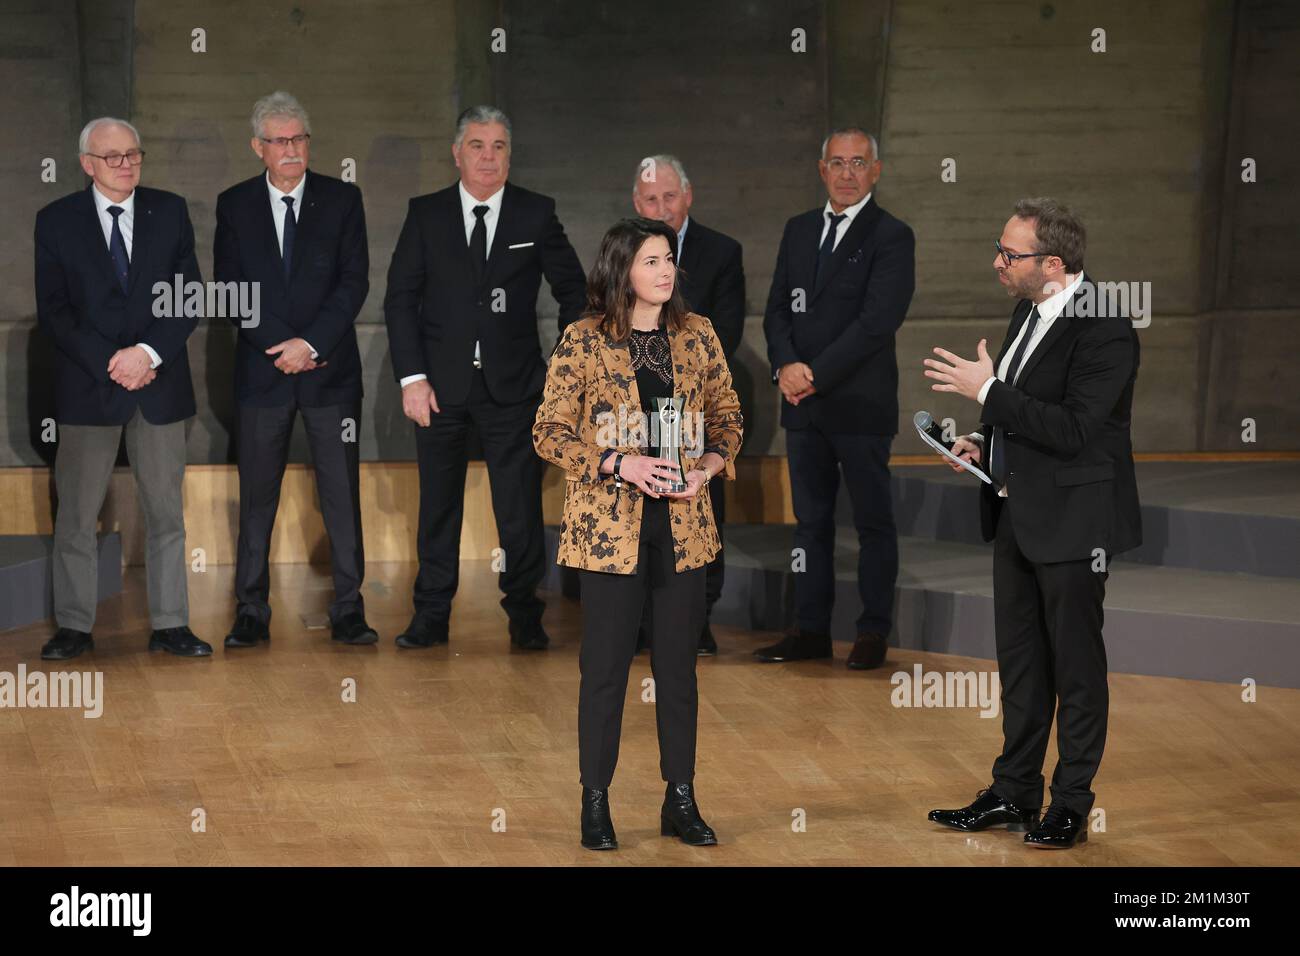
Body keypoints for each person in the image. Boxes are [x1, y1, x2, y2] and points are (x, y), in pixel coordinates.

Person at [923, 198, 1141, 849]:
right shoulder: (1029, 309)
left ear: (1052, 262)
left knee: (1073, 664)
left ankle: (1070, 802)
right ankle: (1015, 791)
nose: (997, 262)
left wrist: (986, 392)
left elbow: (1076, 429)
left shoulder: (1105, 327)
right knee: (1021, 663)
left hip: (1074, 521)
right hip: (1018, 511)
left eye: (1008, 254)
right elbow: (1023, 411)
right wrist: (983, 445)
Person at [533, 217, 743, 850]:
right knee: (605, 670)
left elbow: (728, 417)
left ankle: (680, 798)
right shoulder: (584, 339)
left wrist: (707, 467)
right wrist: (616, 462)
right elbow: (549, 430)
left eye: (669, 259)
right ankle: (594, 801)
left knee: (679, 669)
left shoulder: (697, 334)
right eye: (652, 261)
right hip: (610, 528)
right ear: (621, 269)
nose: (665, 271)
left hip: (683, 526)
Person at [384, 105, 587, 651]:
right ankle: (430, 615)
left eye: (499, 146)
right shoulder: (426, 214)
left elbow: (575, 292)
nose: (488, 156)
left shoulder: (535, 213)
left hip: (515, 390)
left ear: (509, 155)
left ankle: (524, 614)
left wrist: (563, 370)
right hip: (439, 390)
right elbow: (400, 300)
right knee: (438, 507)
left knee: (518, 510)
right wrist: (412, 379)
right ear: (457, 154)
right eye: (477, 145)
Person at [34, 117, 208, 660]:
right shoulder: (56, 220)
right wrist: (113, 361)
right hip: (90, 387)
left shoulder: (170, 210)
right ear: (87, 164)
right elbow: (56, 312)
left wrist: (148, 354)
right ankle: (74, 627)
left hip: (159, 384)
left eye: (134, 154)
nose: (127, 164)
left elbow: (189, 294)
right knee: (77, 516)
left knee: (166, 514)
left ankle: (172, 624)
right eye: (113, 157)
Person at [214, 91, 375, 648]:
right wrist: (280, 346)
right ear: (258, 147)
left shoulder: (342, 199)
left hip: (329, 372)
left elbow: (354, 282)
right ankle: (251, 610)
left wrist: (309, 343)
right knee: (257, 496)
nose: (291, 149)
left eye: (299, 138)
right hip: (263, 377)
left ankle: (349, 608)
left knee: (340, 492)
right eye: (279, 140)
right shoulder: (233, 205)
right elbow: (232, 292)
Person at [758, 127, 915, 669]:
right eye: (837, 163)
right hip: (804, 407)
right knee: (810, 525)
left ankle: (872, 632)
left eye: (858, 163)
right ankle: (810, 629)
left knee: (872, 523)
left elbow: (877, 323)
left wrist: (813, 374)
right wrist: (784, 366)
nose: (847, 173)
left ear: (876, 171)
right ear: (821, 168)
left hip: (859, 405)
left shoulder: (892, 236)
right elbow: (776, 308)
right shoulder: (798, 230)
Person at [630, 153, 745, 656]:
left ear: (688, 196)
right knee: (639, 515)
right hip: (631, 415)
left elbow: (728, 331)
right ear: (638, 203)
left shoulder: (722, 251)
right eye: (651, 199)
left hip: (694, 414)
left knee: (700, 511)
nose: (661, 207)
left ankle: (697, 620)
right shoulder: (623, 253)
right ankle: (639, 624)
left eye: (669, 197)